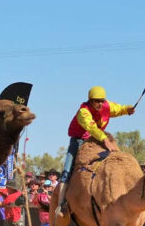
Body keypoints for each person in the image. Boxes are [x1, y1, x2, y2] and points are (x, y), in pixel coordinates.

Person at [55, 86, 135, 217]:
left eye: (102, 101)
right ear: (90, 101)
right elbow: (91, 127)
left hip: (97, 139)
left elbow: (117, 109)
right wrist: (105, 140)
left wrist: (127, 109)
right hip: (79, 140)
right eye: (97, 101)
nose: (100, 104)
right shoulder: (83, 112)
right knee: (67, 170)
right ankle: (61, 204)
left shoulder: (107, 106)